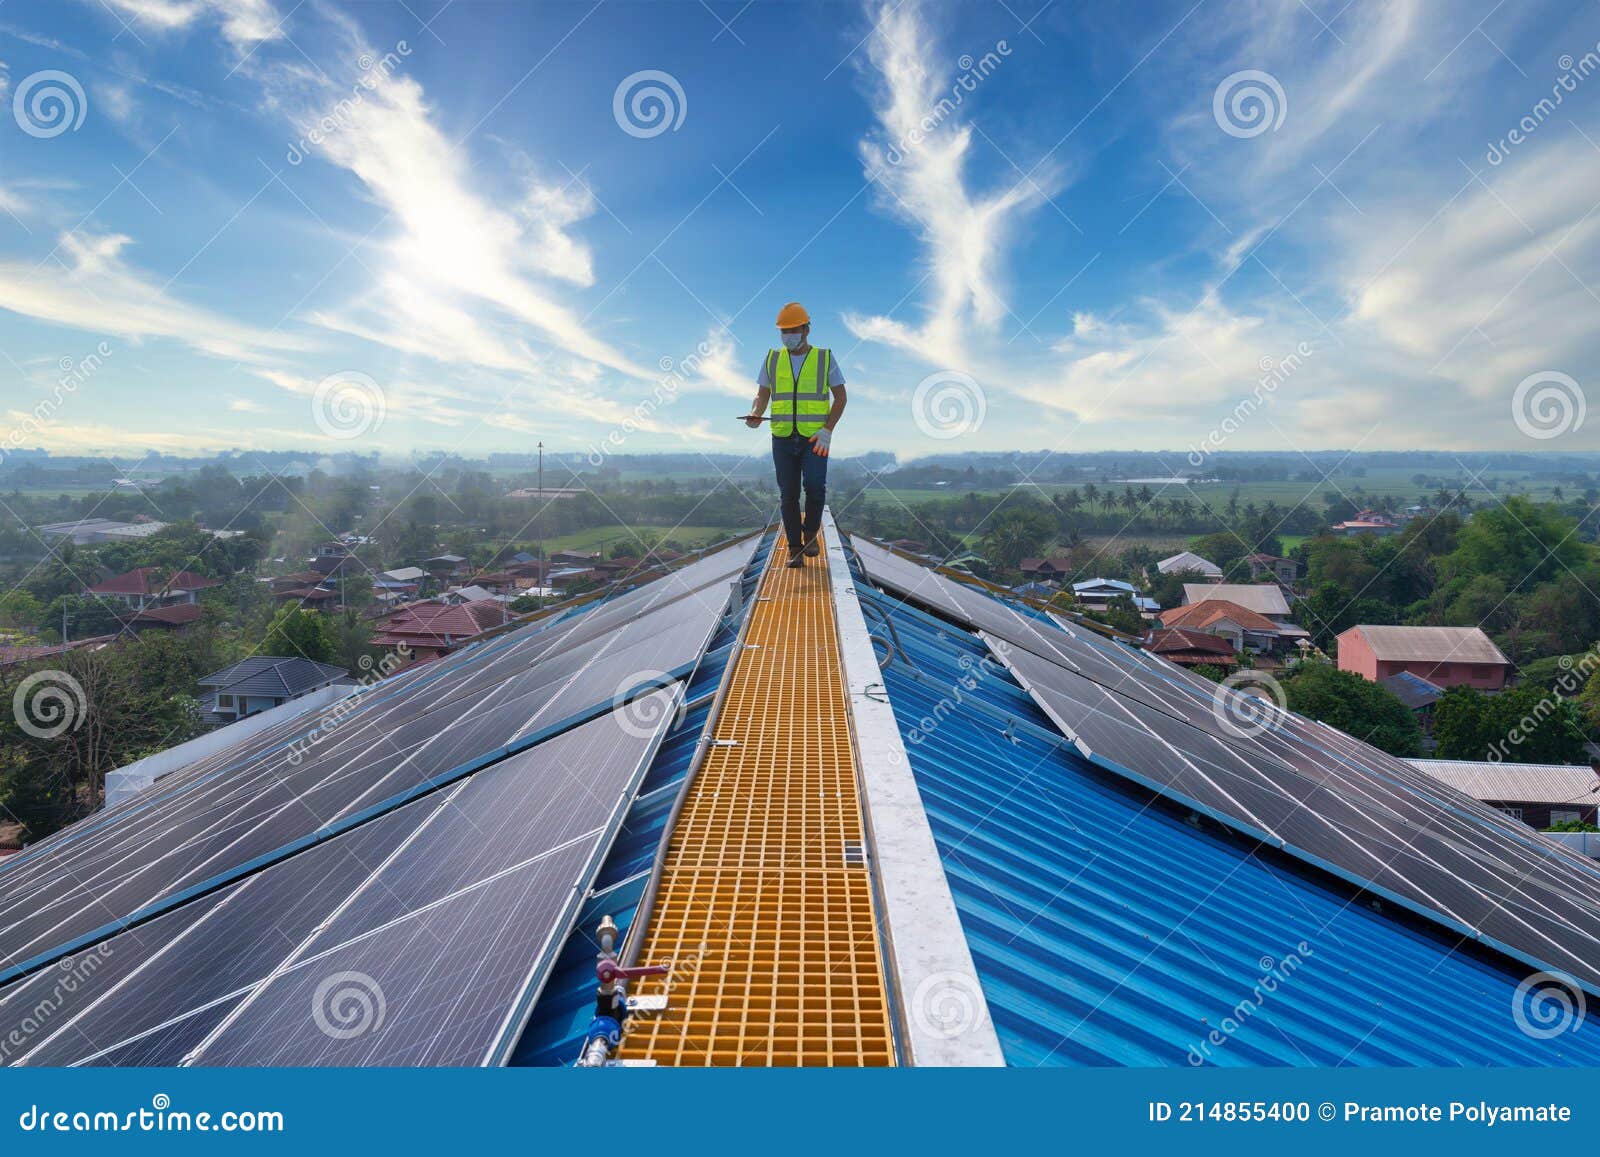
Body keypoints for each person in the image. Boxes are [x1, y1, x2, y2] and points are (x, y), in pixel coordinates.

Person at [744, 302, 847, 568]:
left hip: (815, 438)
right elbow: (762, 393)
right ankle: (794, 548)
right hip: (781, 437)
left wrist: (827, 430)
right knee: (788, 493)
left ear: (806, 329)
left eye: (793, 329)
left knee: (814, 487)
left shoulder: (824, 357)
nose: (788, 335)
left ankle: (811, 533)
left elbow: (841, 397)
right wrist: (756, 412)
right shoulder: (772, 358)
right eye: (783, 331)